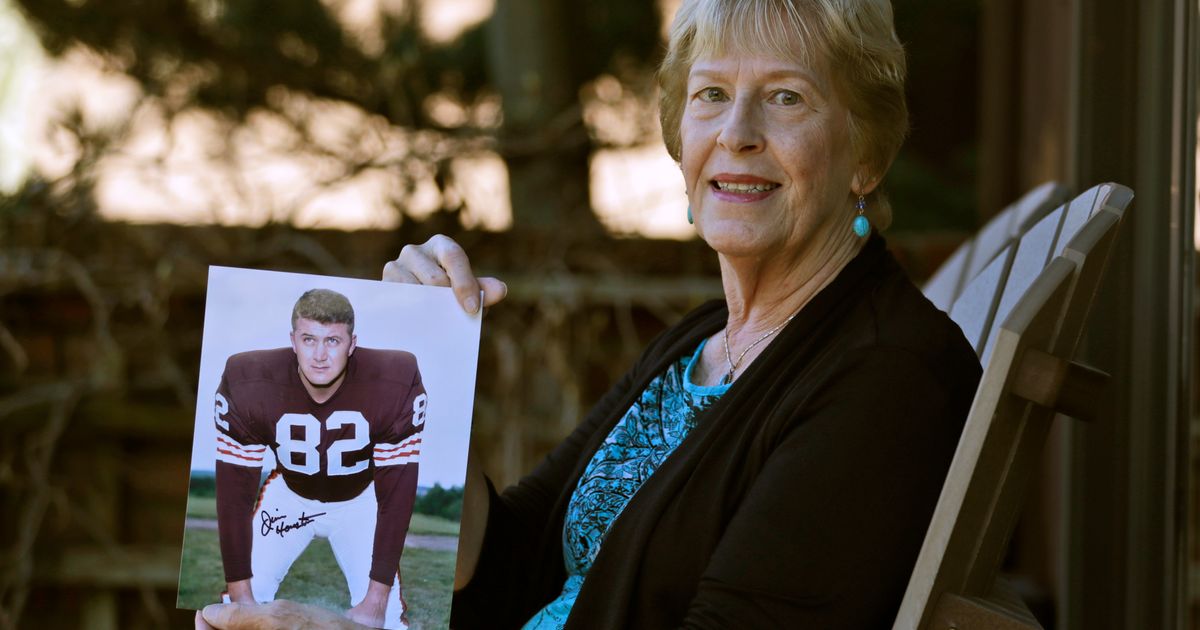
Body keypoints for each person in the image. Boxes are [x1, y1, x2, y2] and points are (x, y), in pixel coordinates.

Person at [197, 0, 981, 627]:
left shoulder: (885, 379)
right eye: (711, 96)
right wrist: (421, 383)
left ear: (868, 152)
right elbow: (504, 564)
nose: (737, 134)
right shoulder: (703, 345)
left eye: (786, 98)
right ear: (680, 136)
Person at [208, 288, 426, 630]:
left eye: (333, 341)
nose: (320, 355)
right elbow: (235, 493)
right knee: (234, 612)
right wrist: (241, 596)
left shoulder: (393, 379)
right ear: (293, 340)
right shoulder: (248, 379)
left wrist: (376, 600)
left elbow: (397, 495)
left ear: (352, 344)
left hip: (360, 500)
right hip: (289, 497)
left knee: (389, 623)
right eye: (309, 339)